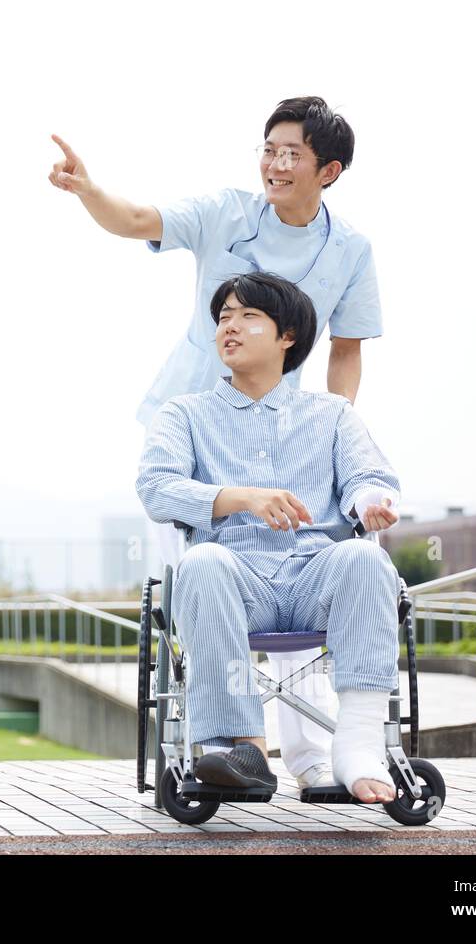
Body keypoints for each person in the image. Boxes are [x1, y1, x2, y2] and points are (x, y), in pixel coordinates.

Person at [49, 96, 381, 790]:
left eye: (292, 153)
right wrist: (88, 192)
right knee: (206, 576)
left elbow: (347, 350)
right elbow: (138, 220)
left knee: (309, 560)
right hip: (195, 443)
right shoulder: (228, 213)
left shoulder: (350, 250)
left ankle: (317, 755)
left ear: (330, 170)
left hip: (291, 437)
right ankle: (232, 741)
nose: (276, 163)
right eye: (269, 148)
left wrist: (330, 435)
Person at [136, 271, 401, 802]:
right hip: (234, 584)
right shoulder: (183, 414)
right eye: (222, 317)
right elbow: (156, 488)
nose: (228, 327)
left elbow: (368, 479)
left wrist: (371, 504)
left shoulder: (331, 415)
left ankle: (358, 747)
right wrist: (242, 496)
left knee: (365, 559)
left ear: (288, 337)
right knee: (203, 560)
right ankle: (243, 749)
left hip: (314, 580)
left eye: (247, 316)